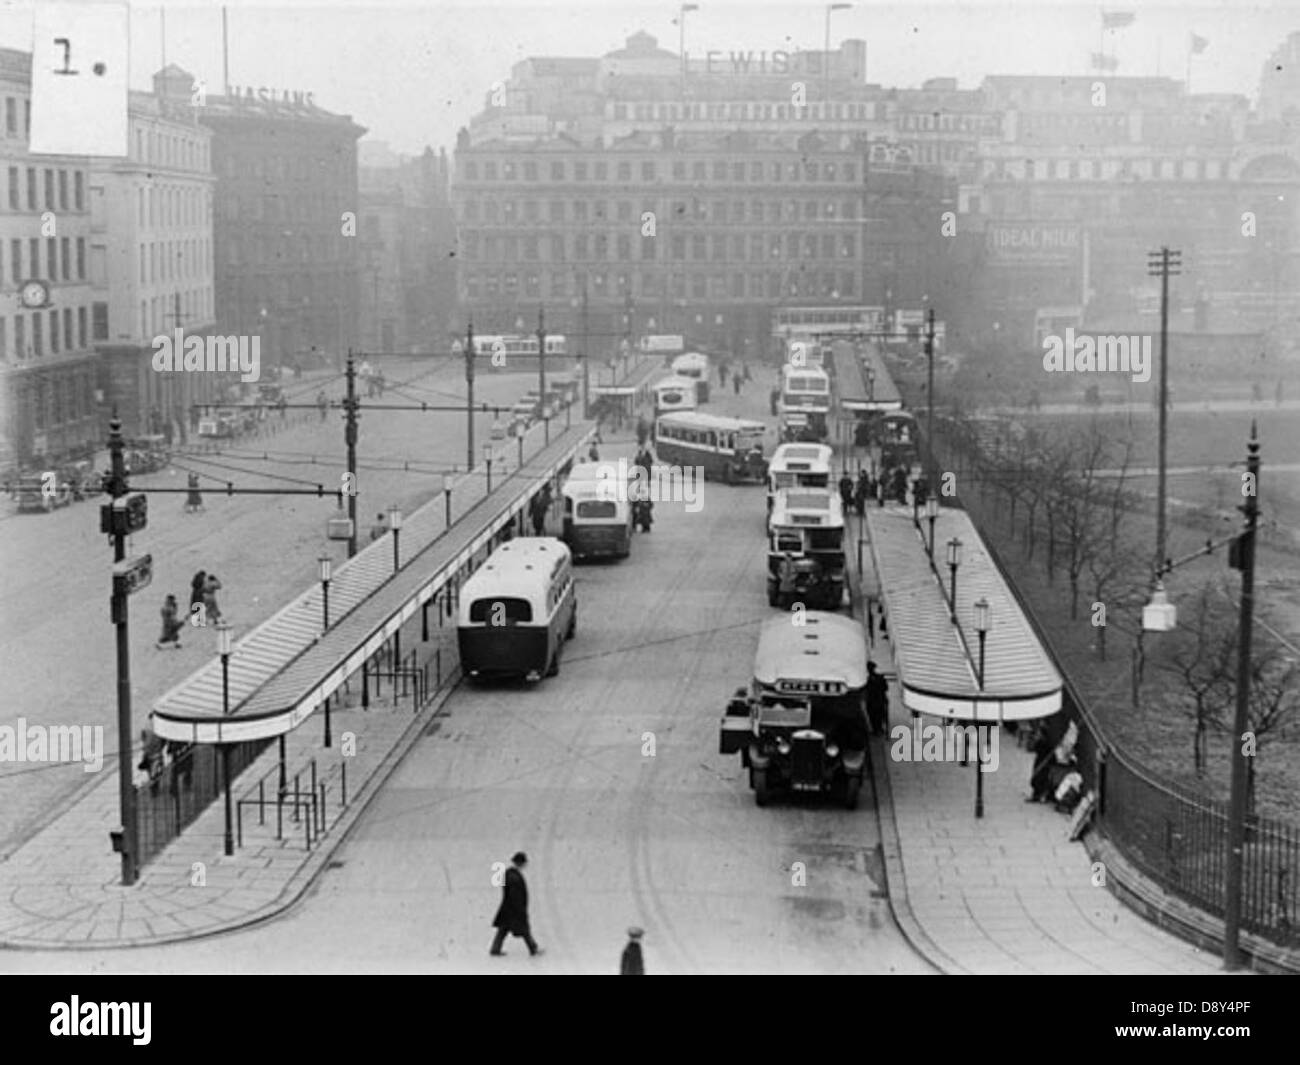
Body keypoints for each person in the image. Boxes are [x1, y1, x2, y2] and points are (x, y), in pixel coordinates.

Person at [491, 851, 541, 956]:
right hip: (514, 908)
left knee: (504, 929)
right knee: (523, 929)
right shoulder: (514, 876)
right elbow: (515, 895)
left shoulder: (509, 874)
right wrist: (520, 909)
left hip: (507, 907)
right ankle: (533, 948)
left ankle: (495, 949)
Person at [865, 660, 889, 735]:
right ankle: (878, 729)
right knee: (877, 715)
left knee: (875, 715)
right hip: (877, 700)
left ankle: (877, 729)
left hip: (875, 700)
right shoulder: (880, 677)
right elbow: (886, 688)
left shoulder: (868, 680)